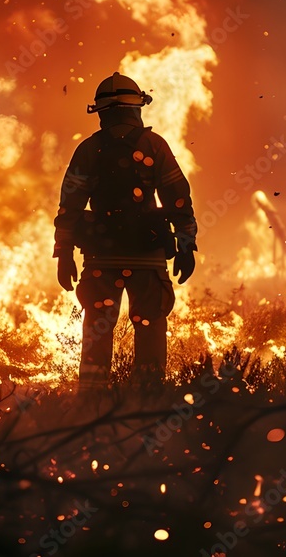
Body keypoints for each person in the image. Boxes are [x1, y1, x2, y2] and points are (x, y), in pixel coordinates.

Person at [53, 72, 198, 391]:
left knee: (97, 331)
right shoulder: (154, 145)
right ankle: (147, 403)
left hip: (100, 258)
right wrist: (186, 244)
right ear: (137, 108)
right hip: (148, 258)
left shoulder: (89, 150)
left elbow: (70, 206)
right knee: (150, 328)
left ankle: (91, 404)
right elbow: (178, 199)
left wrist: (63, 252)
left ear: (101, 111)